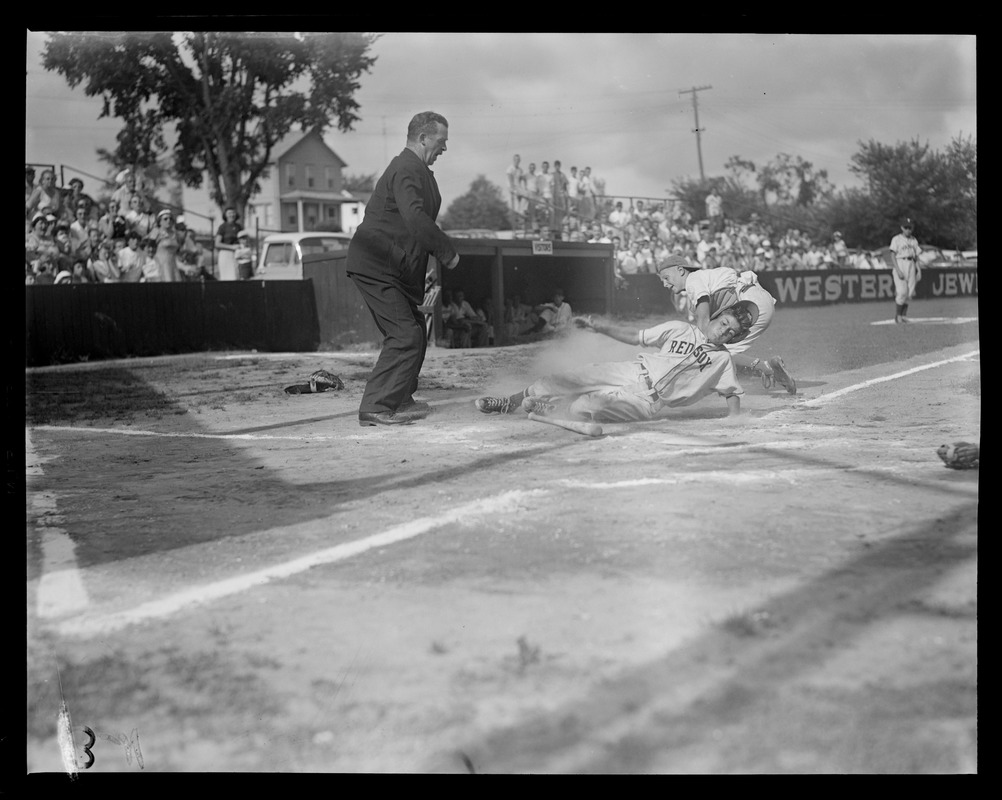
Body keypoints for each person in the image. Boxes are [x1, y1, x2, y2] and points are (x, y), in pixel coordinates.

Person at [345, 110, 460, 427]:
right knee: (405, 334)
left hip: (391, 267)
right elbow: (414, 218)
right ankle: (375, 406)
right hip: (375, 265)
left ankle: (400, 397)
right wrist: (446, 251)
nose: (445, 148)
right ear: (423, 138)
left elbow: (407, 228)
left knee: (416, 332)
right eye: (441, 141)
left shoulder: (417, 170)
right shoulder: (406, 168)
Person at [474, 300, 755, 423]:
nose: (725, 331)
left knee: (590, 405)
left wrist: (734, 419)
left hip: (648, 402)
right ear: (717, 317)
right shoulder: (680, 328)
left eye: (732, 332)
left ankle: (553, 409)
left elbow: (731, 393)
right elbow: (635, 336)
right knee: (569, 378)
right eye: (724, 323)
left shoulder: (722, 360)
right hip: (632, 371)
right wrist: (599, 327)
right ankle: (509, 402)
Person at [656, 254, 798, 394]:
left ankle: (766, 368)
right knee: (721, 357)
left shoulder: (693, 280)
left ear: (680, 270)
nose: (664, 284)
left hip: (749, 305)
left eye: (666, 278)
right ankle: (771, 371)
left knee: (716, 356)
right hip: (759, 301)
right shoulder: (703, 278)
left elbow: (703, 324)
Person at [889, 217, 921, 324]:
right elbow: (892, 255)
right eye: (906, 227)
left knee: (909, 293)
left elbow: (916, 256)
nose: (908, 229)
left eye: (910, 227)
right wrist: (898, 270)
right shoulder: (896, 239)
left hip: (911, 263)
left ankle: (903, 316)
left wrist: (919, 270)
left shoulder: (914, 240)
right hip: (900, 262)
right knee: (902, 291)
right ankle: (898, 316)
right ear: (902, 228)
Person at [152, 209, 181, 282]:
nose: (168, 221)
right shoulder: (156, 232)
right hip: (160, 264)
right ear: (160, 221)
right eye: (165, 219)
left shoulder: (175, 234)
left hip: (173, 264)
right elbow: (148, 247)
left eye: (170, 219)